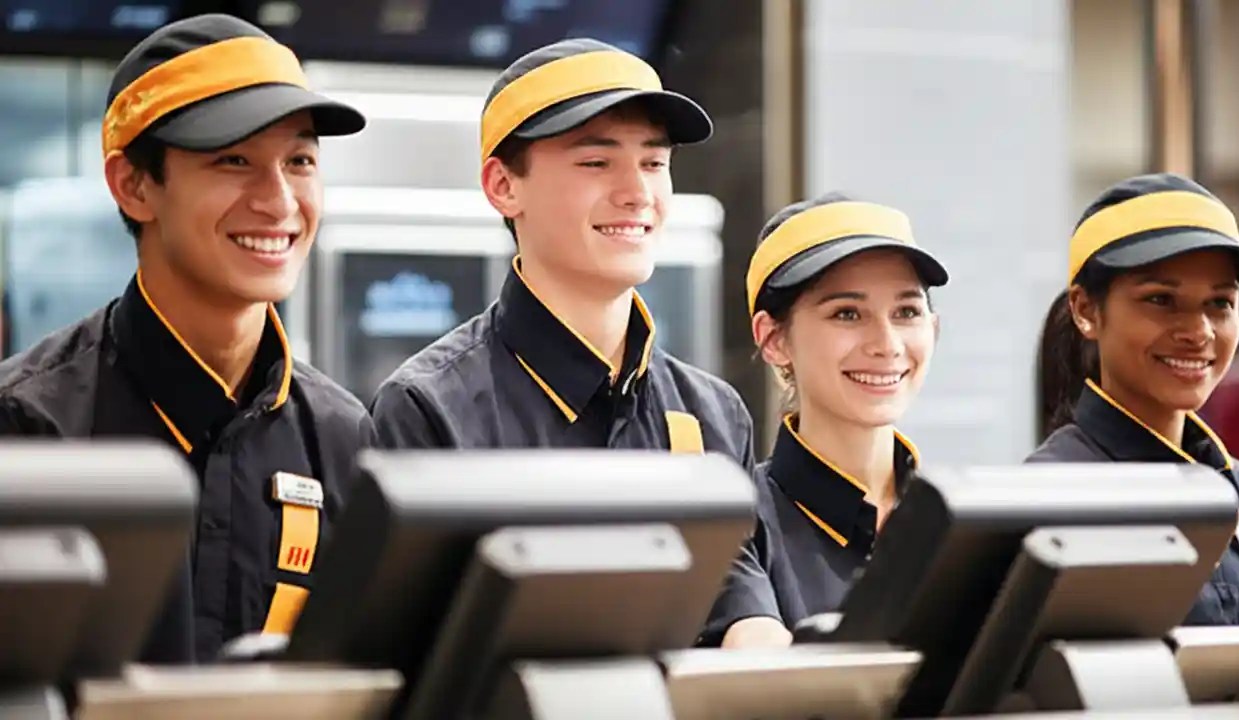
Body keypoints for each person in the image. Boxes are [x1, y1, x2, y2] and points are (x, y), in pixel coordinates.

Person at [0, 14, 372, 662]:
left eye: (300, 161)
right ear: (134, 184)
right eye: (233, 160)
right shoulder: (29, 425)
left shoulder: (341, 437)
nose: (279, 200)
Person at [370, 39, 753, 465]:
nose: (637, 194)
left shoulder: (715, 415)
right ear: (504, 186)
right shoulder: (431, 410)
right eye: (596, 163)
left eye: (653, 164)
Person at [700, 192, 949, 648]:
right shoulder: (735, 532)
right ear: (773, 339)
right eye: (847, 313)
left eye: (907, 312)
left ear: (933, 329)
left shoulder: (960, 525)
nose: (887, 343)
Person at [1030, 172, 1239, 626]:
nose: (1198, 332)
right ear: (1086, 310)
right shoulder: (1054, 491)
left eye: (1220, 303)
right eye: (1162, 299)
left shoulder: (1238, 486)